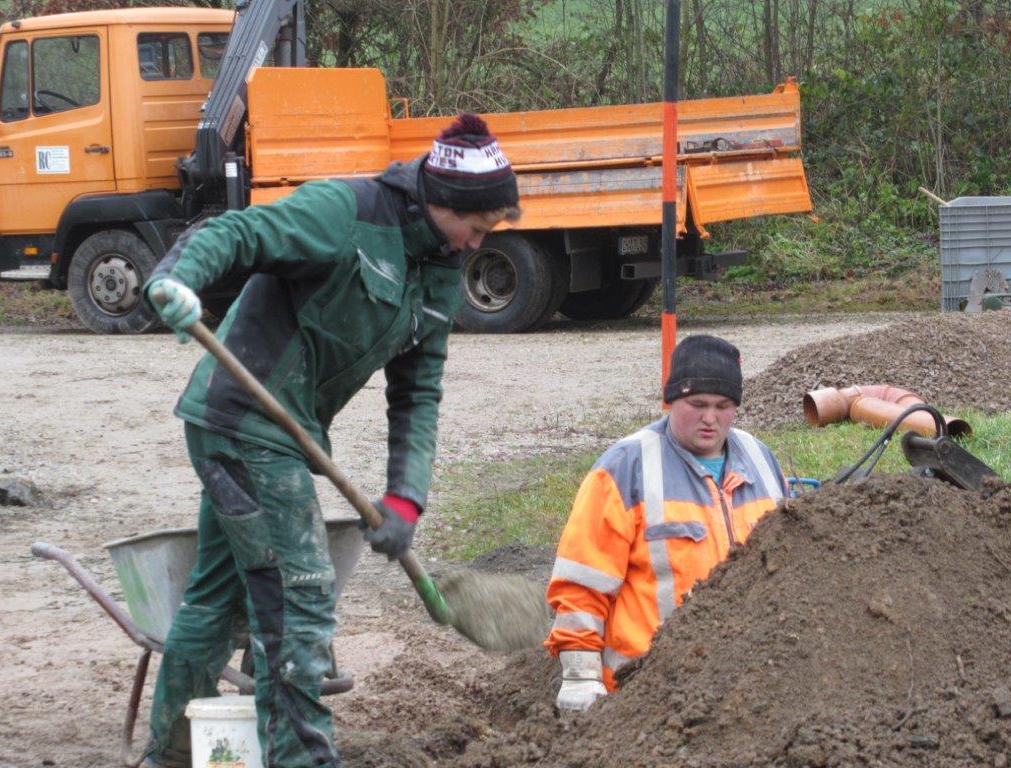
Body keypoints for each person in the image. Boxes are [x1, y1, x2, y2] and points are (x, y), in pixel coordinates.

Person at [140, 114, 520, 768]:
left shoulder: (439, 275)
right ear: (442, 201)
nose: (475, 244)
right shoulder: (346, 211)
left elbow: (418, 393)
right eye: (476, 228)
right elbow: (237, 232)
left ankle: (170, 754)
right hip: (242, 414)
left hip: (284, 432)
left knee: (218, 595)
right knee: (302, 591)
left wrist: (405, 498)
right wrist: (178, 278)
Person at [544, 334, 786, 711]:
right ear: (671, 400)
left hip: (744, 692)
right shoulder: (626, 468)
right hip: (644, 694)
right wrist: (580, 677)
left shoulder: (760, 459)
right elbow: (582, 583)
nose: (710, 418)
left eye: (723, 406)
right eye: (697, 404)